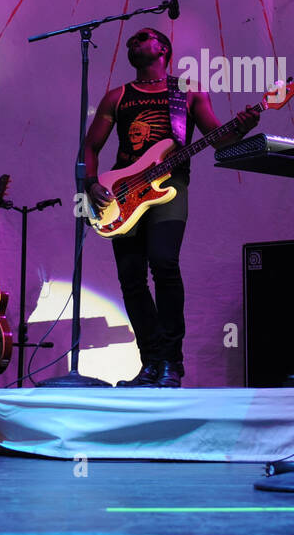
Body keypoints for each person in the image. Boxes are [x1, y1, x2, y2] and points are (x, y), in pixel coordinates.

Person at [83, 27, 257, 388]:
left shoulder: (188, 91)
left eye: (144, 36)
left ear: (163, 48)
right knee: (131, 278)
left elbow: (218, 138)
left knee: (163, 262)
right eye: (131, 39)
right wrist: (91, 184)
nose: (134, 39)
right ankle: (151, 362)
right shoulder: (116, 96)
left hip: (169, 187)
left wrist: (241, 127)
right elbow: (90, 147)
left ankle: (171, 364)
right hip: (122, 193)